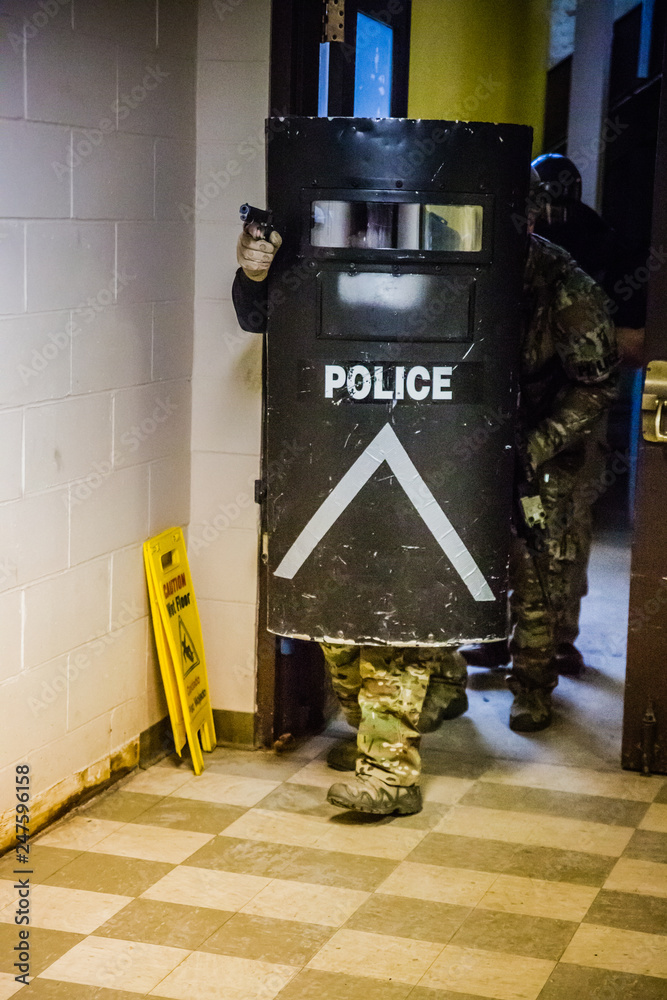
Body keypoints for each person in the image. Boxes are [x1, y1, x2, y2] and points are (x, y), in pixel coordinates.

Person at [232, 224, 468, 815]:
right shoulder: (324, 264)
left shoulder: (441, 263)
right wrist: (255, 274)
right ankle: (378, 737)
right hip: (334, 465)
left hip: (424, 464)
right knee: (335, 624)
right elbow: (261, 315)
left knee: (393, 620)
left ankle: (390, 775)